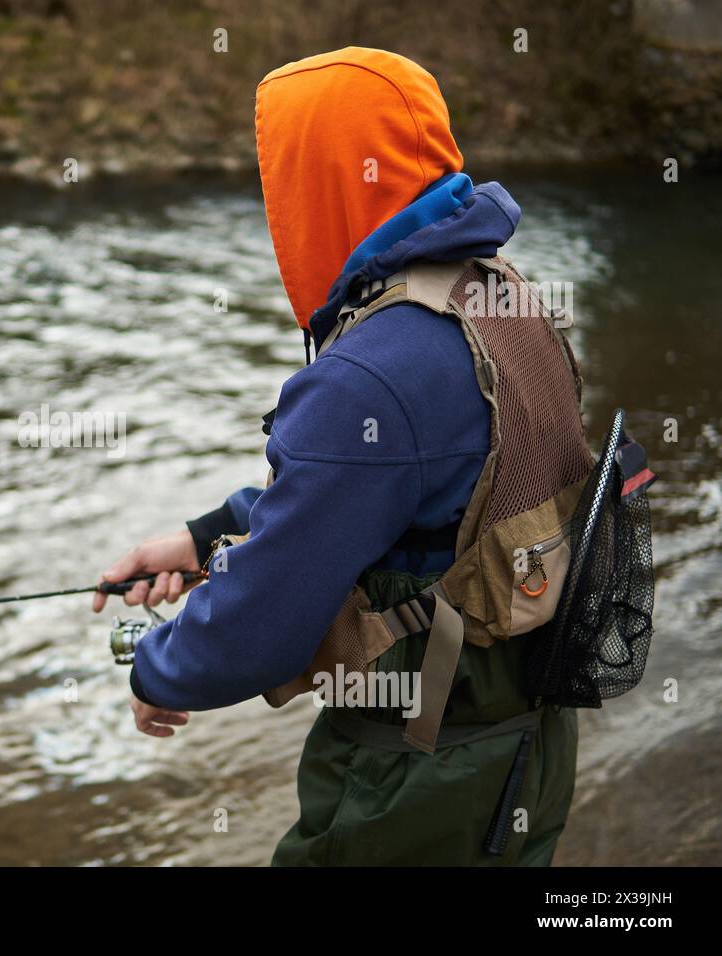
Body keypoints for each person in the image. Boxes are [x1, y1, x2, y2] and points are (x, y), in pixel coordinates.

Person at [92, 47, 587, 866]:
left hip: (414, 783)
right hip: (525, 750)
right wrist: (209, 534)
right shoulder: (498, 293)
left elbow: (263, 627)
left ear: (317, 181)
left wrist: (157, 669)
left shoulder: (366, 376)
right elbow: (422, 504)